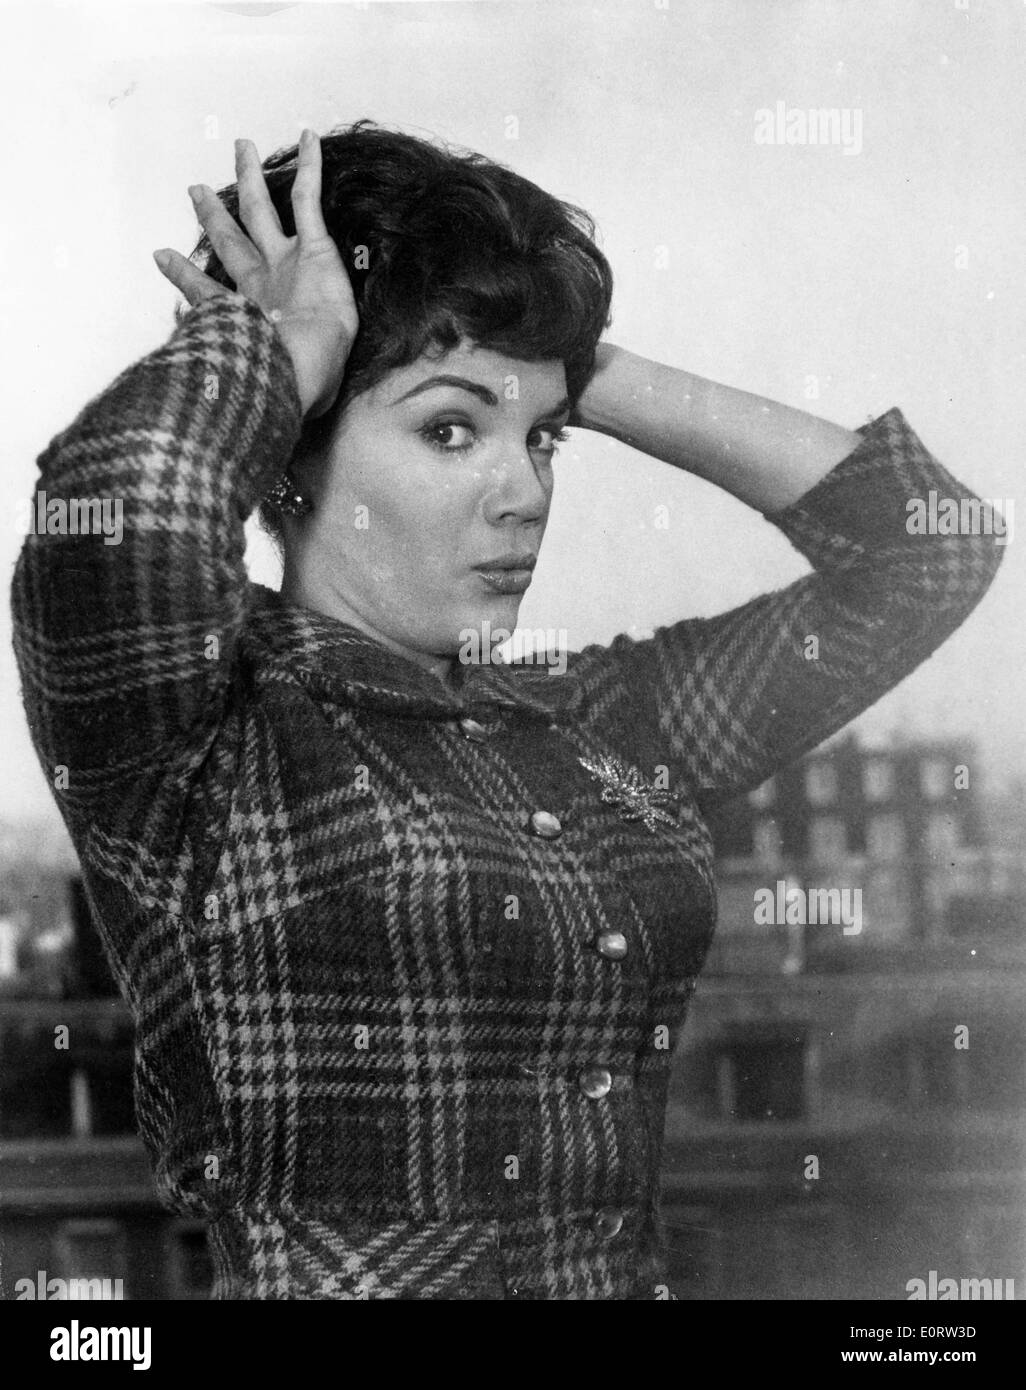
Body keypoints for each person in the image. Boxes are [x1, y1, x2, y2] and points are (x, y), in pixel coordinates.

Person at [11, 120, 1003, 1300]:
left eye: (543, 440)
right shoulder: (196, 733)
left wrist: (576, 362)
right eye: (449, 428)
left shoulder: (594, 724)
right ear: (289, 453)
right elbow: (121, 503)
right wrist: (284, 339)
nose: (525, 489)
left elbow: (925, 550)